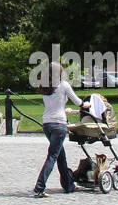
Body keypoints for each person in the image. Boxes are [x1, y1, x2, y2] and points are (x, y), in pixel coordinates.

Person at [33, 62, 86, 197]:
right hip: (59, 124)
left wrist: (64, 107)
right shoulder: (64, 85)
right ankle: (39, 187)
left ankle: (68, 185)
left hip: (47, 124)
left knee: (60, 156)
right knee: (52, 156)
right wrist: (87, 104)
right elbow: (78, 102)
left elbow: (55, 104)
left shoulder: (45, 86)